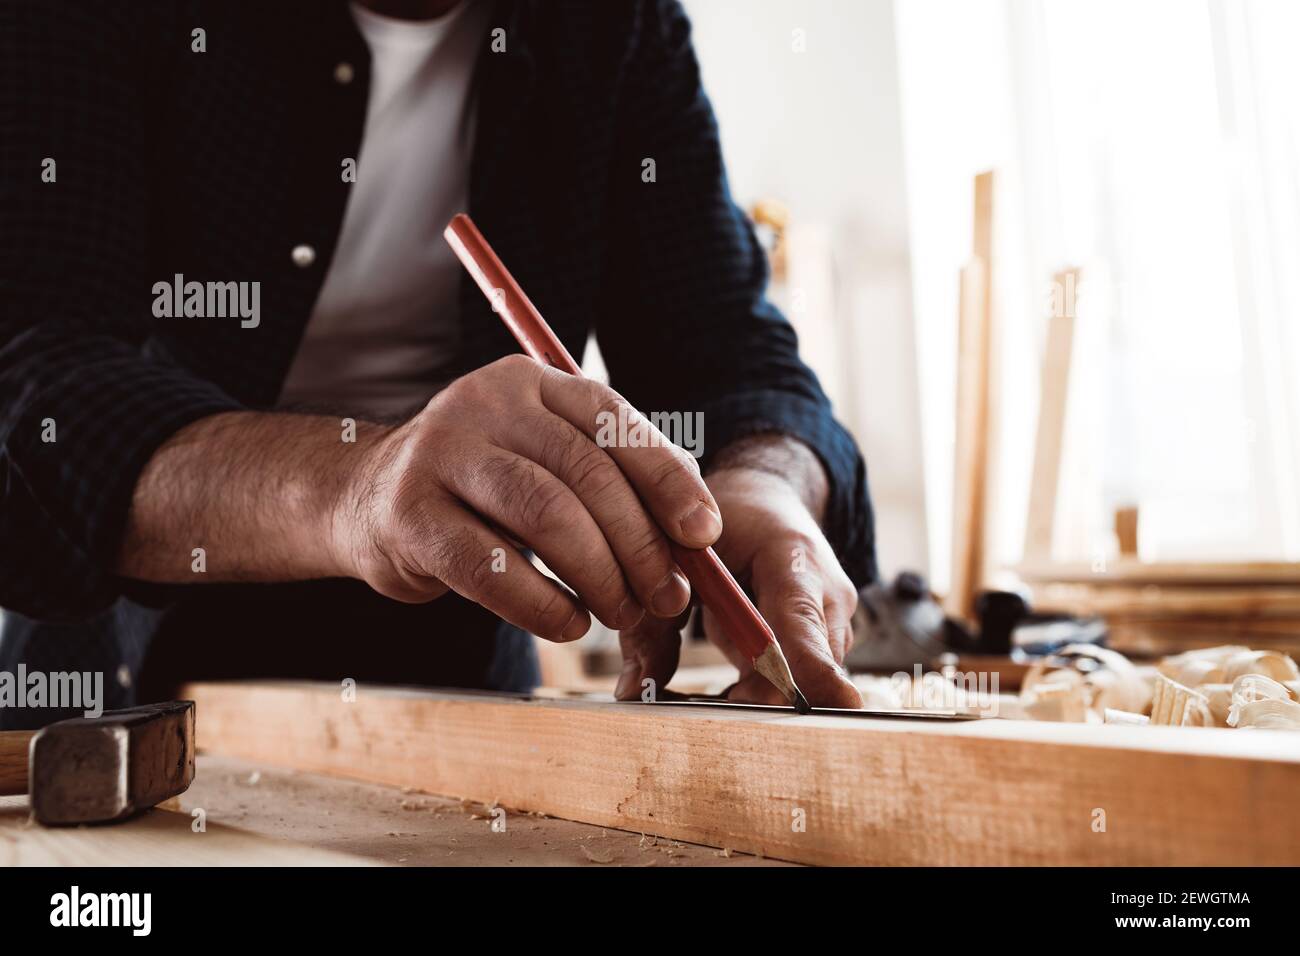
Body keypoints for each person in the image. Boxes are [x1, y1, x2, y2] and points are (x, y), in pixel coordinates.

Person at [0, 0, 878, 729]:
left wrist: (766, 486)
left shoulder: (619, 23)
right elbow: (31, 382)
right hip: (116, 677)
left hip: (456, 674)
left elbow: (730, 357)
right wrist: (361, 484)